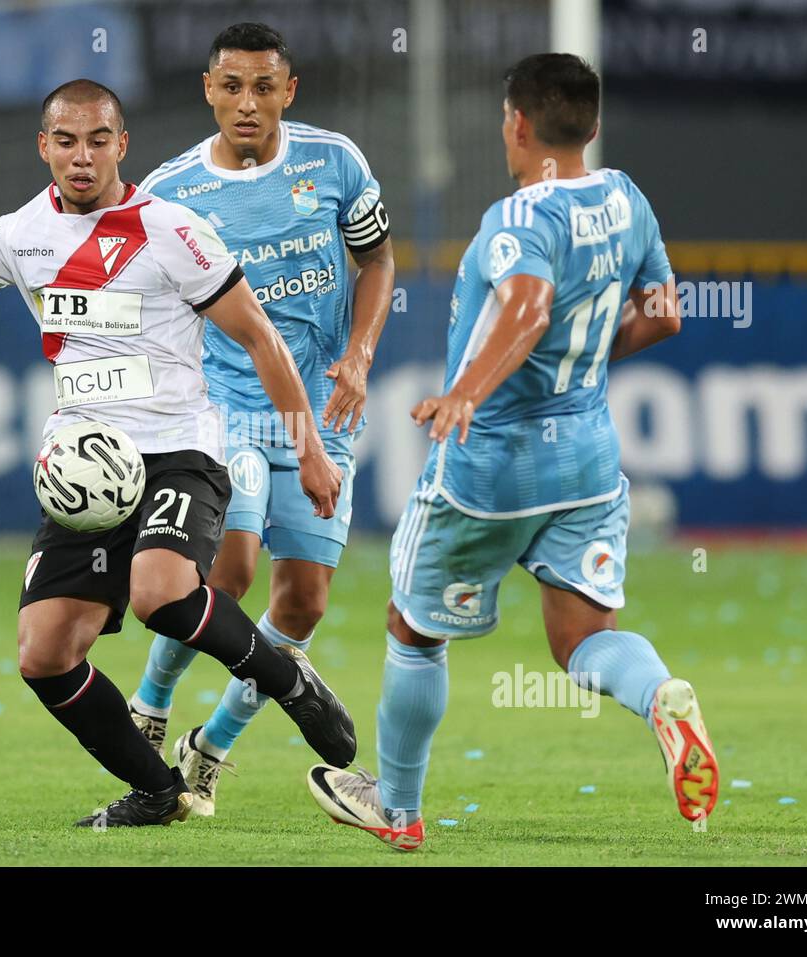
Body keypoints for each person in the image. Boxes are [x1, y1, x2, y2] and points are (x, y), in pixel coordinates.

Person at [0, 78, 356, 828]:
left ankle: (289, 681)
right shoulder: (22, 234)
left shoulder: (172, 230)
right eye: (65, 140)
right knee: (44, 652)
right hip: (87, 469)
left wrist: (307, 449)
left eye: (97, 140)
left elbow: (260, 337)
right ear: (43, 146)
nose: (81, 157)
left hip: (179, 449)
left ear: (123, 145)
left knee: (161, 593)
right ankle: (158, 791)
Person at [307, 54, 717, 850]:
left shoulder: (519, 219)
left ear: (518, 125)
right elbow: (665, 314)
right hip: (588, 461)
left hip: (493, 464)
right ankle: (660, 692)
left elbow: (526, 306)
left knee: (413, 626)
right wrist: (585, 359)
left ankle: (396, 807)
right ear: (591, 128)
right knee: (582, 638)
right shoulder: (625, 198)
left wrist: (467, 393)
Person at [127, 22, 394, 816]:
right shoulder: (169, 191)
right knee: (231, 570)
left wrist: (362, 353)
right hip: (226, 409)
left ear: (289, 90)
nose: (248, 103)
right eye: (232, 87)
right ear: (208, 90)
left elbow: (375, 260)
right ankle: (150, 701)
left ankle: (210, 749)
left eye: (264, 86)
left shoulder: (335, 162)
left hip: (324, 409)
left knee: (304, 601)